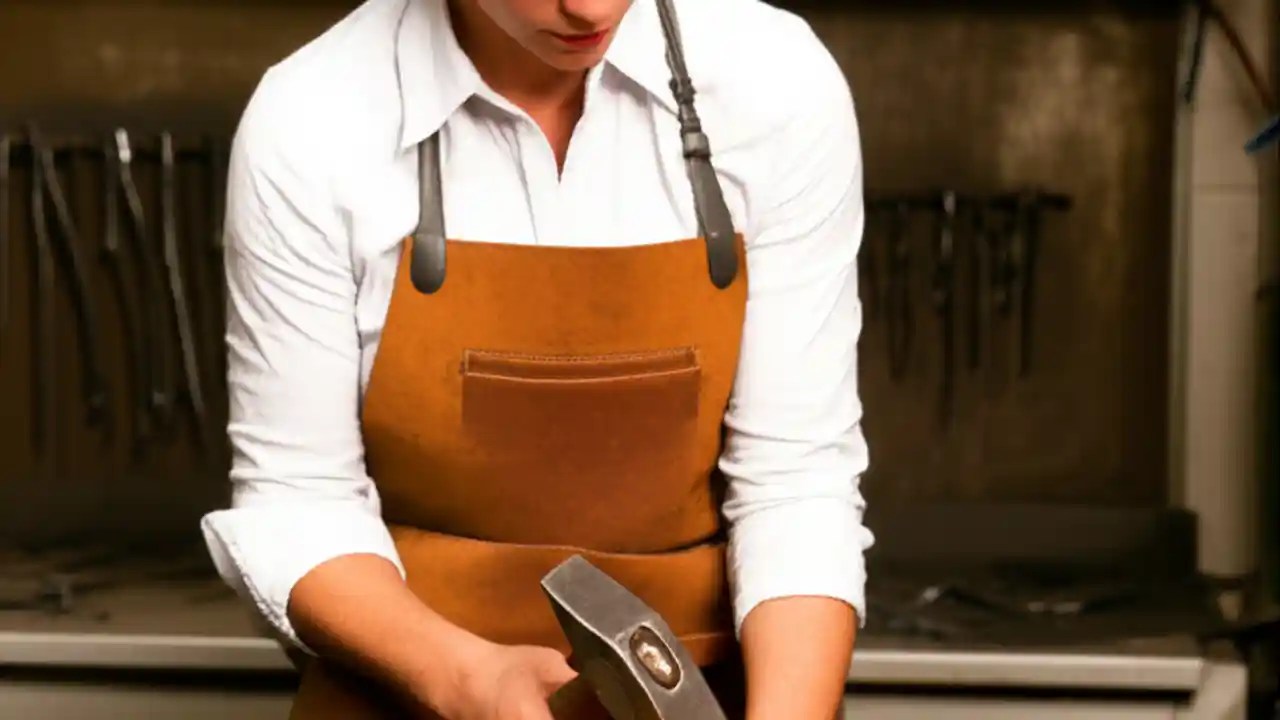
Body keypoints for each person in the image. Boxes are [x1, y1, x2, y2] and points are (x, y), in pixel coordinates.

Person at [199, 0, 874, 717]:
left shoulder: (776, 83)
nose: (591, 7)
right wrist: (459, 678)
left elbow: (796, 481)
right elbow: (301, 499)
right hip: (407, 691)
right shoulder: (312, 116)